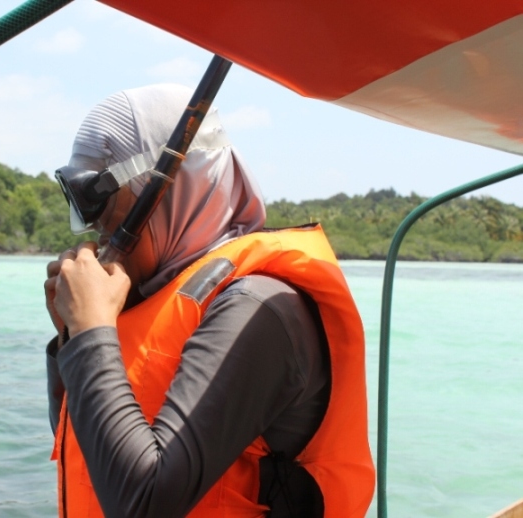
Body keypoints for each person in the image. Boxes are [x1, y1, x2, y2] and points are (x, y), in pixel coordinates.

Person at [44, 84, 374, 518]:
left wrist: (90, 335)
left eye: (100, 199)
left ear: (170, 184)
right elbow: (93, 459)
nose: (94, 226)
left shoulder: (259, 310)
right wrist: (70, 337)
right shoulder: (156, 299)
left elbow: (142, 504)